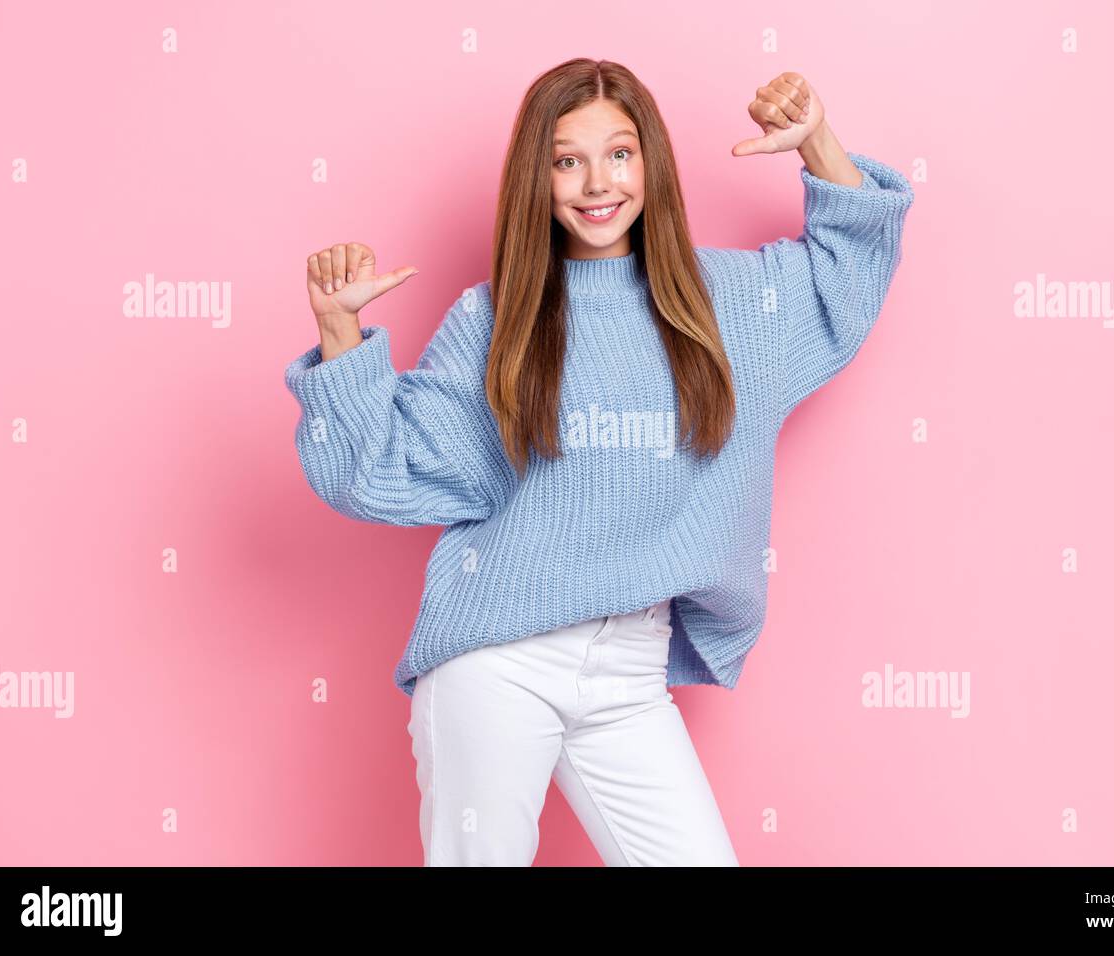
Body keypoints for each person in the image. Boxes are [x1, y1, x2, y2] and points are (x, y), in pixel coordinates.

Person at [283, 58, 915, 866]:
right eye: (565, 160)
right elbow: (378, 469)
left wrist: (816, 141)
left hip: (629, 673)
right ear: (536, 180)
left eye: (619, 153)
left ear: (650, 162)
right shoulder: (496, 322)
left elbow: (846, 280)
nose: (595, 183)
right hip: (496, 661)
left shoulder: (735, 307)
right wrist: (341, 334)